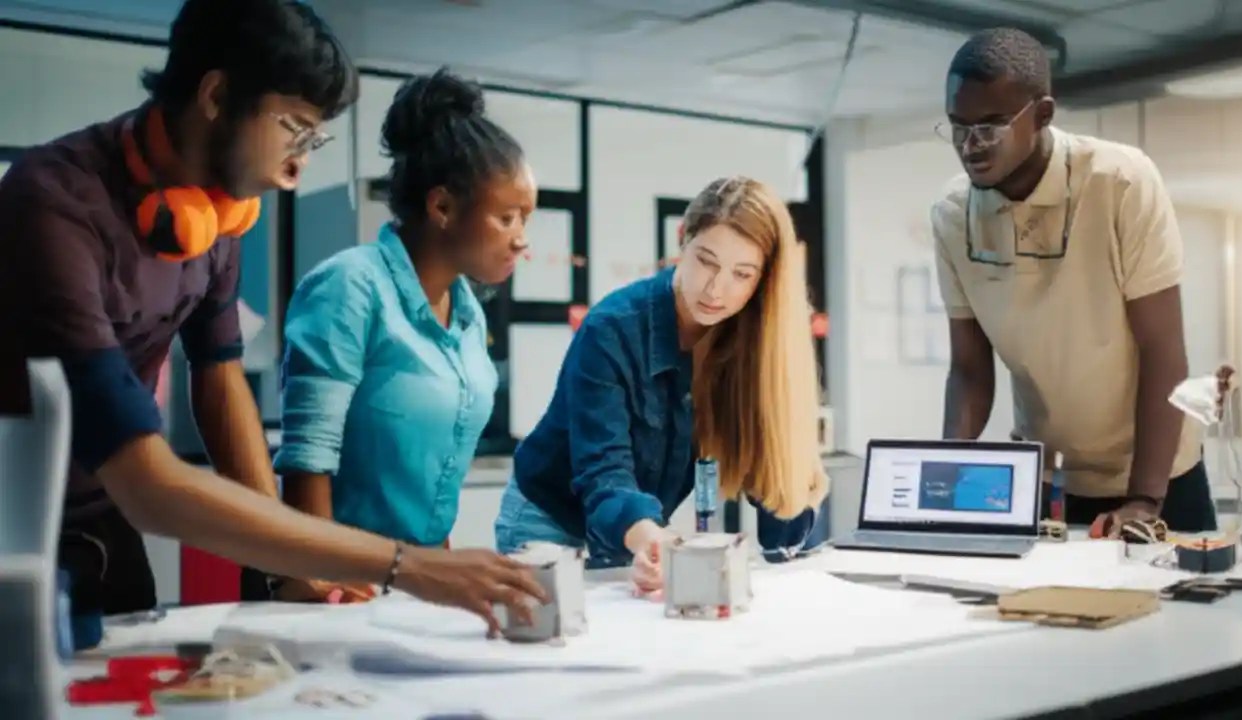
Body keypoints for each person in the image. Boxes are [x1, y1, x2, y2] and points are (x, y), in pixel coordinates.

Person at [0, 0, 544, 636]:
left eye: (315, 140)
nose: (298, 165)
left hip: (104, 522)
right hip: (15, 518)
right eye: (294, 129)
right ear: (217, 94)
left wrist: (289, 561)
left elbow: (220, 377)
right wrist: (400, 564)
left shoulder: (216, 222)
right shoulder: (54, 207)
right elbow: (145, 479)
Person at [931, 28, 1213, 535]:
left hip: (1158, 476)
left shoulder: (1121, 181)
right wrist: (944, 481)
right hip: (1049, 479)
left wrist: (1145, 500)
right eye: (958, 128)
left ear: (1042, 115)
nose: (970, 146)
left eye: (991, 127)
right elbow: (971, 370)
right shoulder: (953, 214)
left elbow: (1163, 350)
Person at [272, 69, 535, 602]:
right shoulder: (350, 286)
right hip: (339, 580)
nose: (521, 239)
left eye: (525, 219)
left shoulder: (467, 313)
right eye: (507, 218)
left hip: (421, 579)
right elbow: (308, 454)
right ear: (442, 208)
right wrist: (312, 574)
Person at [494, 176, 828, 591]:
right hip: (550, 522)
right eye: (706, 260)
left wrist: (794, 486)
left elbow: (783, 527)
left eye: (742, 274)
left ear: (763, 281)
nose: (716, 289)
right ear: (682, 239)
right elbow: (604, 476)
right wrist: (655, 543)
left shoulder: (753, 344)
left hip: (637, 533)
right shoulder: (611, 330)